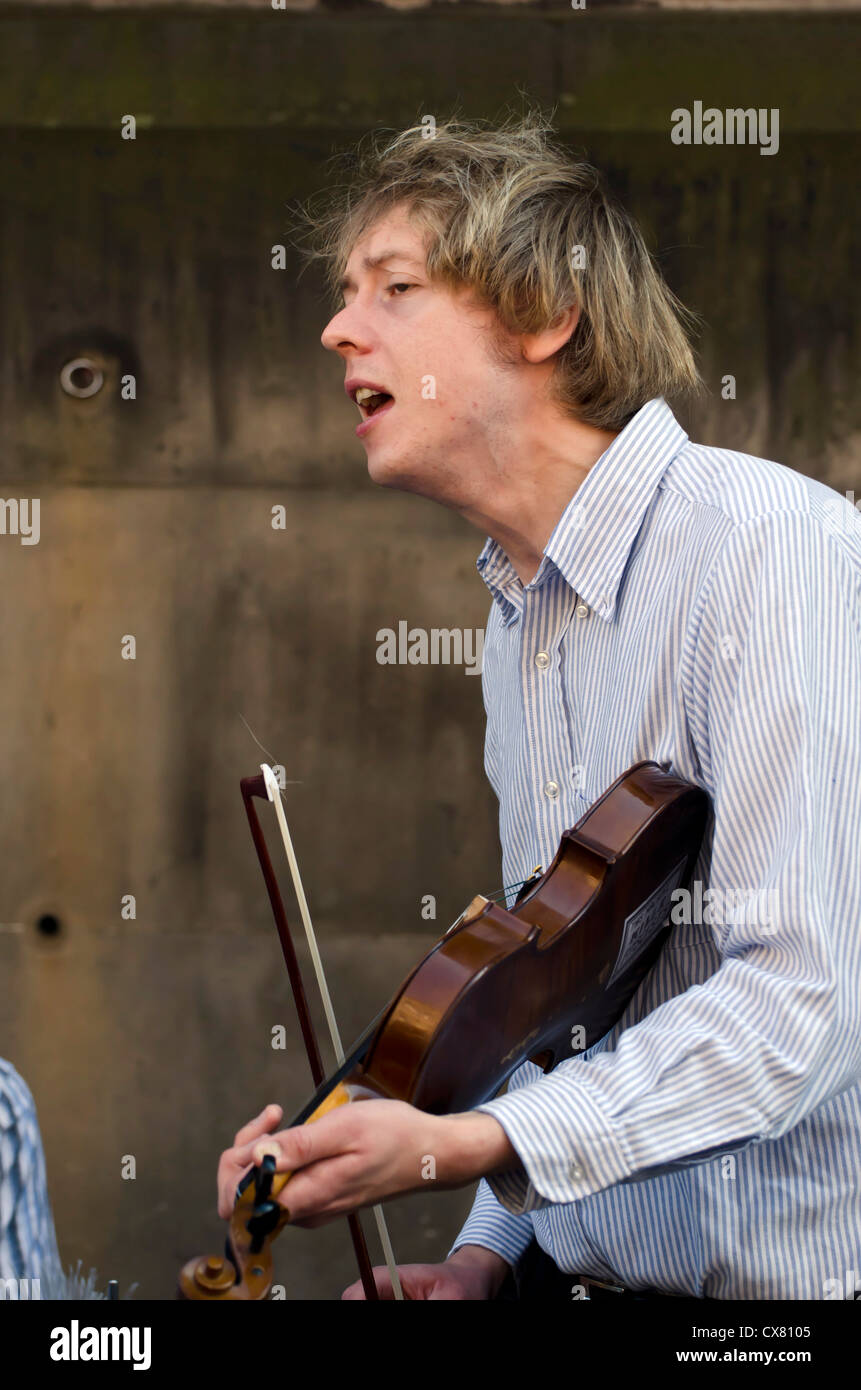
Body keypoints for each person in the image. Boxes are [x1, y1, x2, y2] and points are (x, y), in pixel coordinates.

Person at [217, 112, 861, 1300]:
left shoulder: (769, 549)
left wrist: (471, 1140)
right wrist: (482, 1254)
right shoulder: (517, 613)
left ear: (544, 314)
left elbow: (801, 1002)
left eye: (393, 286)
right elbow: (556, 1010)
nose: (335, 326)